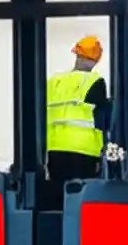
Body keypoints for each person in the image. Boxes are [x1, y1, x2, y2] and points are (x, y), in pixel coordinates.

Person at [43, 35, 111, 208]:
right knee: (81, 203)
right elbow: (103, 118)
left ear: (77, 55)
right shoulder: (95, 81)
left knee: (58, 200)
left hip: (55, 151)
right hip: (84, 153)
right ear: (95, 60)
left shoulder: (54, 81)